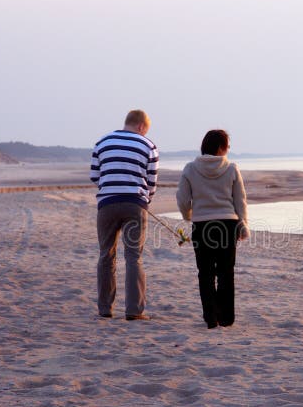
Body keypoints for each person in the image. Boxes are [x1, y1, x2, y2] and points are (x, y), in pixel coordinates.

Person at [90, 110, 159, 321]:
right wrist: (142, 198)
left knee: (106, 255)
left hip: (107, 205)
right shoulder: (148, 146)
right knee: (133, 257)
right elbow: (152, 185)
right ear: (141, 127)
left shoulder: (101, 143)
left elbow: (95, 176)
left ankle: (105, 308)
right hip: (134, 206)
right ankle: (134, 310)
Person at [176, 130, 248, 329]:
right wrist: (243, 225)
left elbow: (182, 199)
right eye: (227, 146)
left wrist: (189, 216)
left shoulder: (190, 168)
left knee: (205, 273)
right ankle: (226, 317)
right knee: (226, 272)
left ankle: (210, 317)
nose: (228, 150)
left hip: (202, 225)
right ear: (219, 147)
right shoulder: (232, 168)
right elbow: (240, 201)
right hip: (227, 225)